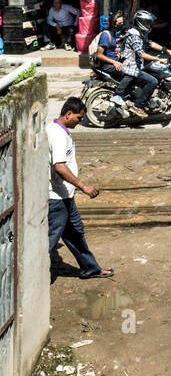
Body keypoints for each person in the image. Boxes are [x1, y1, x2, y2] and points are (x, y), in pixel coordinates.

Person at [48, 98, 113, 280]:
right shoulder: (57, 135)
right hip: (56, 199)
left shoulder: (59, 130)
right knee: (49, 241)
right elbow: (59, 167)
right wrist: (83, 186)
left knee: (76, 233)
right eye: (79, 117)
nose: (80, 121)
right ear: (68, 114)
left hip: (66, 196)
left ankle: (90, 268)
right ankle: (26, 280)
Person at [115, 10, 169, 113]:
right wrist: (158, 59)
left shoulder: (138, 34)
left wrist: (165, 50)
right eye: (147, 23)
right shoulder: (134, 35)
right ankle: (138, 105)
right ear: (141, 23)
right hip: (131, 67)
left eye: (149, 23)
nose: (149, 25)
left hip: (135, 65)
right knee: (153, 81)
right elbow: (141, 54)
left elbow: (148, 43)